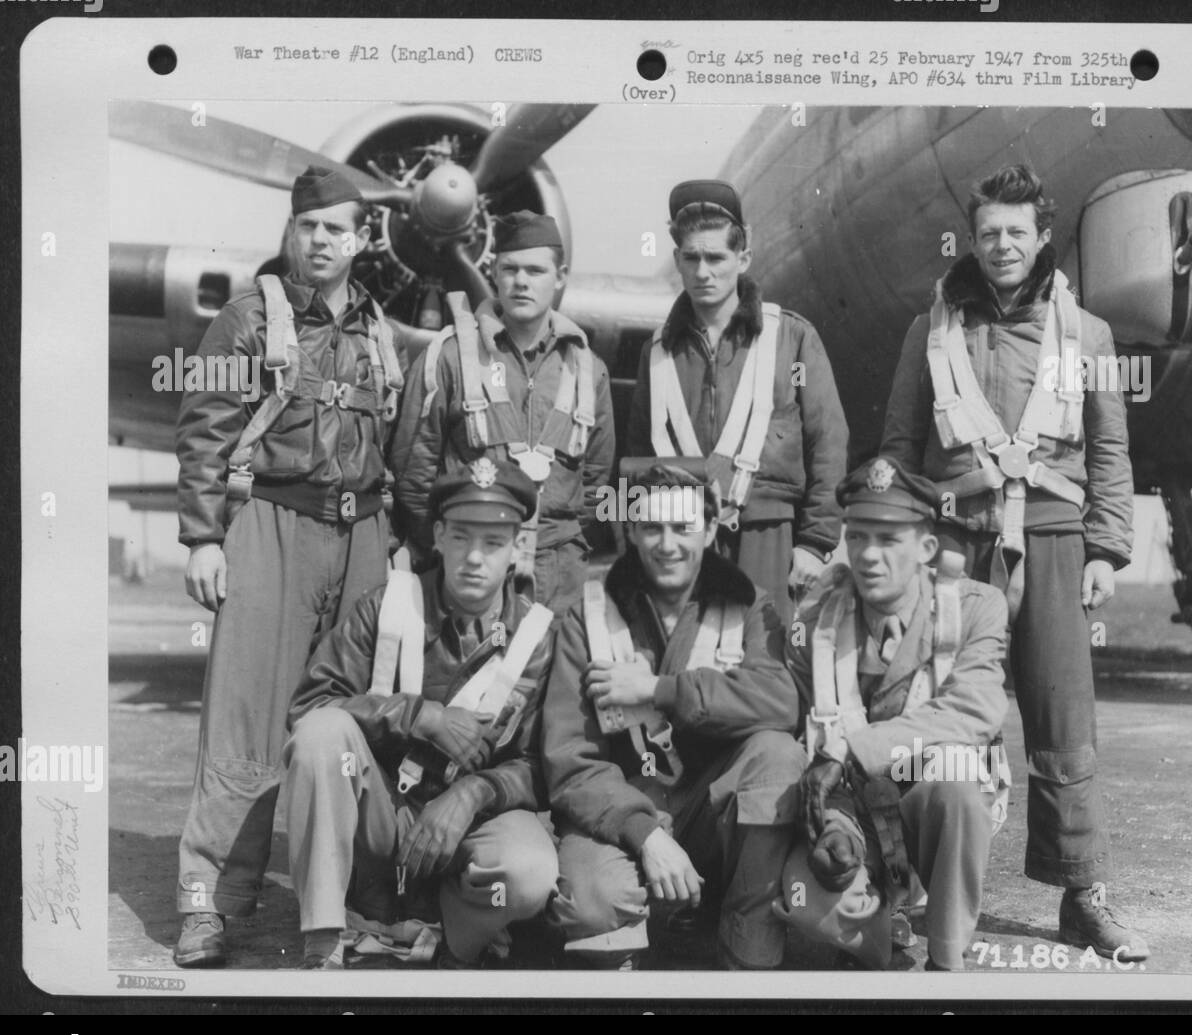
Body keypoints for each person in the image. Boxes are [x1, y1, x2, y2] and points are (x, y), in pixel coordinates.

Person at [880, 163, 1149, 960]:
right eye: (989, 232)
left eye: (1017, 233)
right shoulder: (930, 332)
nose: (1001, 246)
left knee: (1063, 720)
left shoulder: (1087, 335)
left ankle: (1084, 893)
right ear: (972, 237)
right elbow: (899, 447)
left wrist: (1107, 549)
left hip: (1059, 545)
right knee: (935, 708)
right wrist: (900, 545)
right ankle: (914, 881)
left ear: (1040, 239)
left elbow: (1108, 451)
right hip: (956, 546)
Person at [173, 165, 409, 967]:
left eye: (338, 228)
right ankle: (209, 903)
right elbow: (204, 427)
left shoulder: (382, 331)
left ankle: (360, 898)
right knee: (245, 720)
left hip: (366, 535)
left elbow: (402, 448)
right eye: (309, 226)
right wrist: (204, 538)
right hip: (273, 525)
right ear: (291, 230)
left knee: (364, 719)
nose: (321, 241)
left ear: (361, 238)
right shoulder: (245, 318)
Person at [282, 458, 558, 968]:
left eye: (493, 543)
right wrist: (419, 716)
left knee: (529, 871)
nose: (474, 558)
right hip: (384, 816)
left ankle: (459, 943)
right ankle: (322, 941)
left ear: (517, 548)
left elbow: (545, 765)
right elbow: (308, 707)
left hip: (470, 830)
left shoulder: (538, 637)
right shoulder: (388, 606)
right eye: (461, 538)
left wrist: (472, 793)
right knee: (323, 736)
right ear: (437, 535)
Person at [542, 457, 806, 969]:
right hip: (621, 811)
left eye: (683, 527)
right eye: (652, 527)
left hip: (710, 809)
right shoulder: (588, 616)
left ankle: (747, 958)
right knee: (595, 901)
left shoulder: (749, 604)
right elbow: (569, 760)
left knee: (777, 756)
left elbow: (781, 702)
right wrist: (646, 834)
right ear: (631, 532)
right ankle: (628, 961)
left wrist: (661, 690)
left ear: (709, 530)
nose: (668, 544)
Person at [776, 457, 1009, 970]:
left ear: (926, 549)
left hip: (929, 816)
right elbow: (798, 732)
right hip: (853, 812)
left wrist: (854, 748)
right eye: (857, 537)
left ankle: (947, 961)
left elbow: (974, 709)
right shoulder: (816, 617)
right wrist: (831, 825)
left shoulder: (975, 608)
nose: (868, 556)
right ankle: (879, 944)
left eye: (888, 539)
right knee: (804, 896)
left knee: (957, 776)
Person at [625, 179, 849, 623]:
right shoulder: (656, 352)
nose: (703, 272)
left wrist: (815, 543)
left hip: (768, 531)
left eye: (716, 258)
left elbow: (828, 441)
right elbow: (635, 458)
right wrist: (633, 543)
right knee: (682, 659)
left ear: (743, 258)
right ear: (677, 260)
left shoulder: (791, 336)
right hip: (680, 533)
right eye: (691, 258)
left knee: (764, 662)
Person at [393, 210, 615, 615]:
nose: (522, 281)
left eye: (535, 270)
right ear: (493, 271)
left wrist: (557, 546)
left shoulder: (589, 370)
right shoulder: (448, 357)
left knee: (552, 677)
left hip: (558, 580)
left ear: (561, 276)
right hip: (466, 573)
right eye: (510, 269)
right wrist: (451, 550)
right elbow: (413, 471)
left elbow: (597, 484)